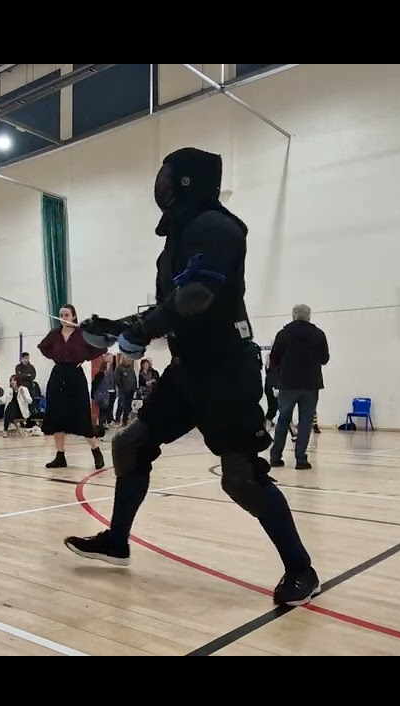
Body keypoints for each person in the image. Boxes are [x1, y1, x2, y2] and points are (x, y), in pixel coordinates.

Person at [63, 147, 320, 607]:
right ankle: (118, 541)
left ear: (184, 182)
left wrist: (140, 332)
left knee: (240, 477)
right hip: (188, 370)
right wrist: (118, 326)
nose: (160, 182)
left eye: (167, 173)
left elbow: (197, 296)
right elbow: (173, 307)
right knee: (130, 445)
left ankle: (301, 569)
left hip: (227, 370)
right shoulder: (179, 237)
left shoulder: (216, 227)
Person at [38, 304, 107, 469]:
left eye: (67, 315)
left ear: (74, 317)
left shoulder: (82, 333)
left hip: (75, 377)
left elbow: (101, 347)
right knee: (57, 416)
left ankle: (96, 450)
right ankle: (60, 456)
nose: (63, 317)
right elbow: (43, 347)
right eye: (61, 314)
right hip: (58, 376)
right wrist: (56, 357)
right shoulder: (54, 334)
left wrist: (83, 358)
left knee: (81, 414)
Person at [268, 305, 328, 469]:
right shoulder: (318, 334)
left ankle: (275, 456)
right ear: (309, 316)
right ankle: (301, 459)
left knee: (283, 419)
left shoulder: (283, 334)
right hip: (310, 384)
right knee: (305, 421)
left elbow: (274, 358)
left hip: (288, 384)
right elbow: (325, 359)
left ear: (293, 316)